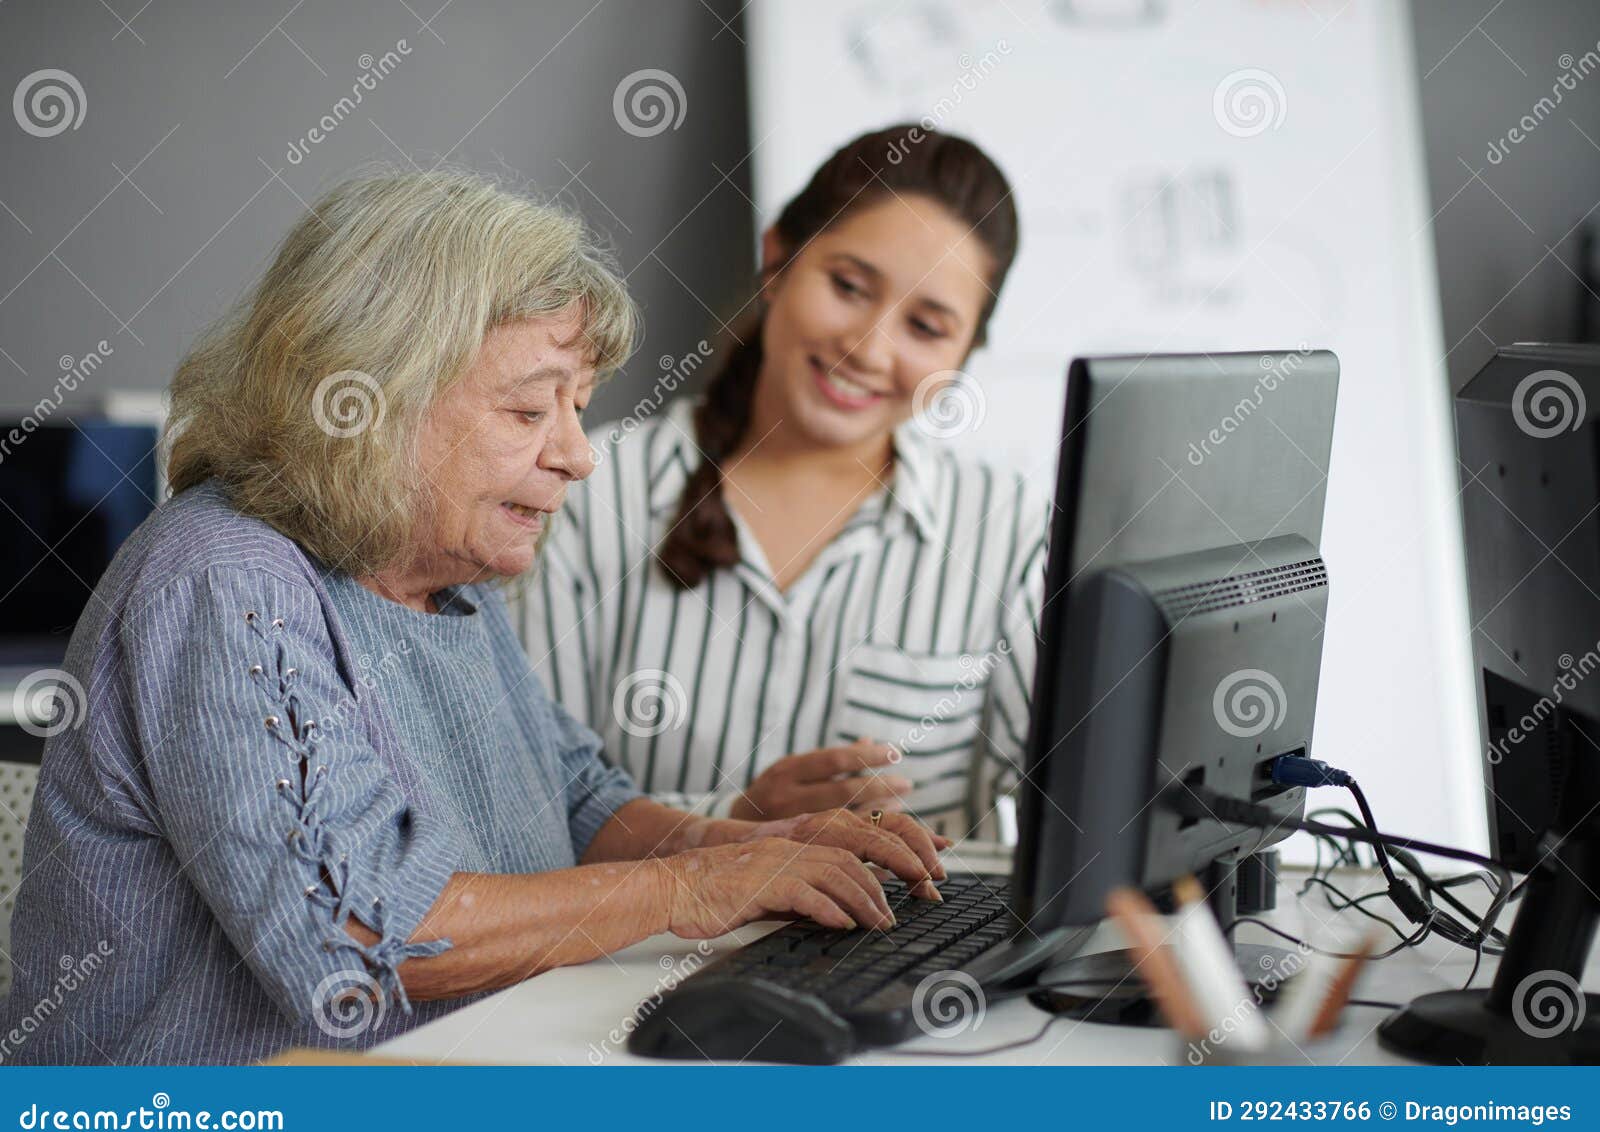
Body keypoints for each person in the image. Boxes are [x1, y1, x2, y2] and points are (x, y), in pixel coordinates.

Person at [0, 171, 948, 1066]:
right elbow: (356, 938)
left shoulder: (445, 573)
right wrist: (689, 888)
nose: (578, 454)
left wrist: (761, 852)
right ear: (370, 400)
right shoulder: (225, 581)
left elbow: (576, 804)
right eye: (530, 412)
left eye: (578, 409)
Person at [522, 126, 1046, 838]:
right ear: (777, 262)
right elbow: (528, 810)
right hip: (631, 918)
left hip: (908, 916)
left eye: (926, 327)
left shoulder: (1011, 533)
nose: (868, 349)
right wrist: (736, 828)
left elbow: (1081, 802)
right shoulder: (584, 492)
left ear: (967, 353)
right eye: (848, 287)